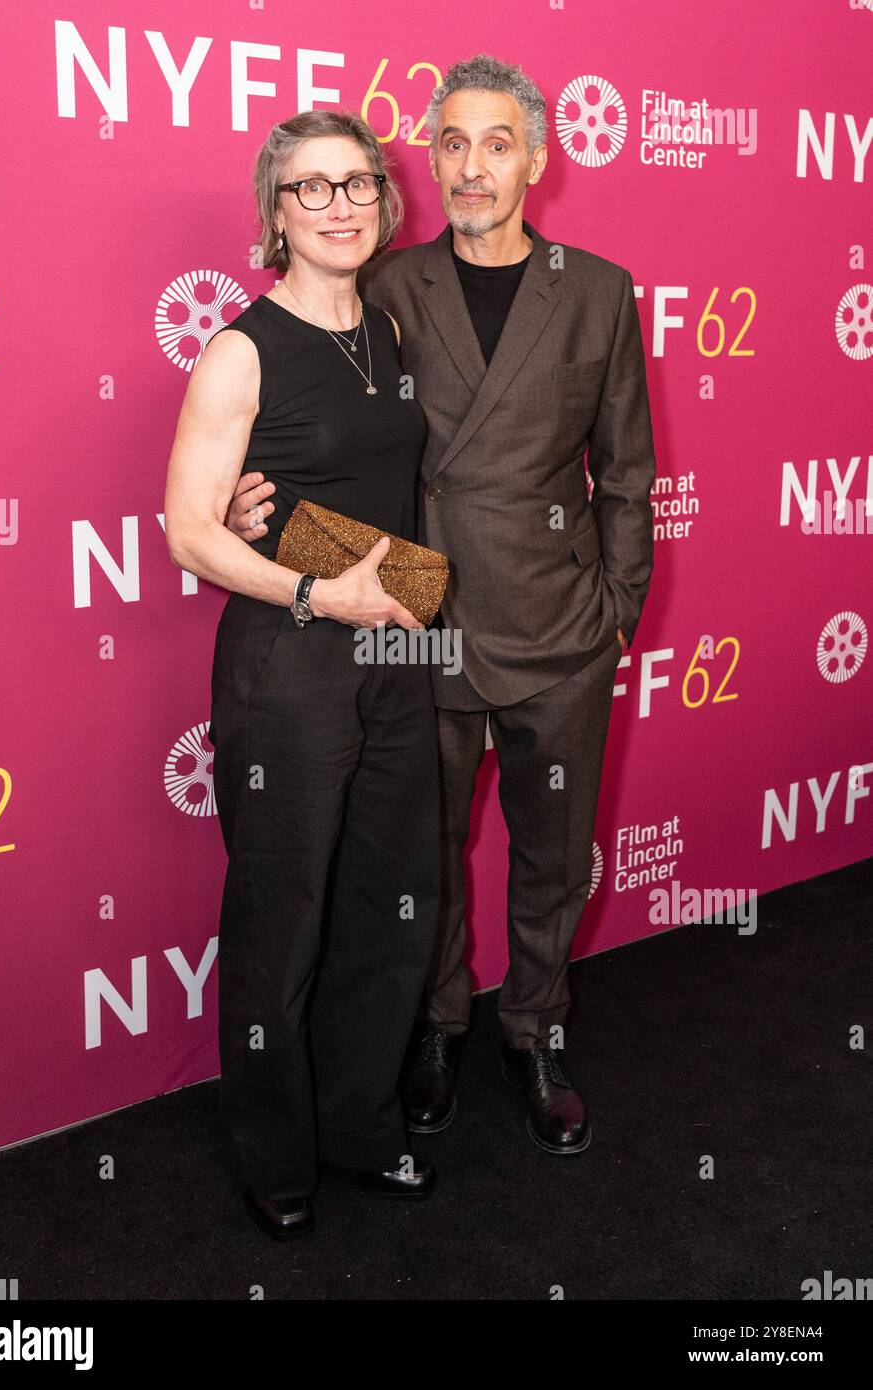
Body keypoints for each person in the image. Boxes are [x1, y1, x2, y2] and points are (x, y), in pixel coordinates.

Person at [229, 54, 656, 1157]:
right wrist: (258, 509)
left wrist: (616, 612)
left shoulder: (599, 289)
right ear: (431, 156)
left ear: (537, 159)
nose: (471, 167)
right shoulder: (383, 283)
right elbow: (330, 447)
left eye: (496, 143)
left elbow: (625, 473)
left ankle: (535, 1028)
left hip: (562, 626)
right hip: (421, 619)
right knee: (422, 855)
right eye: (452, 143)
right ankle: (436, 1022)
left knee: (556, 854)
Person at [163, 109, 442, 1240]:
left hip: (398, 646)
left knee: (389, 905)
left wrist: (389, 607)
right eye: (310, 188)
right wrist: (319, 594)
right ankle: (274, 1155)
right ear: (272, 214)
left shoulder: (392, 329)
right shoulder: (242, 347)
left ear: (384, 199)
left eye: (356, 184)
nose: (338, 205)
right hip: (290, 662)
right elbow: (189, 530)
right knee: (284, 916)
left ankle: (363, 1126)